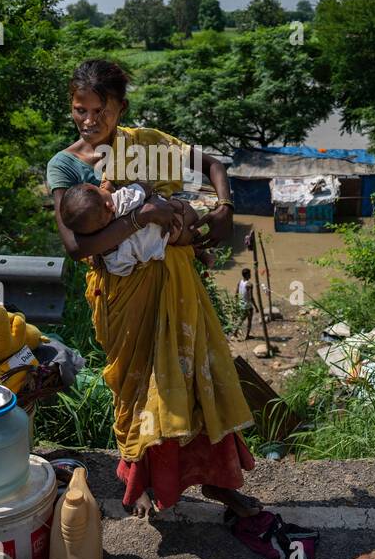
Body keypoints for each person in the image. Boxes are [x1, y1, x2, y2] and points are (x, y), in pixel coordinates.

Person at [47, 58, 261, 519]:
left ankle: (219, 482)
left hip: (179, 282)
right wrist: (139, 218)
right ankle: (141, 482)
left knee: (193, 376)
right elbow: (75, 246)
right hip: (124, 299)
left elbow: (211, 164)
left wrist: (223, 206)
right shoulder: (66, 167)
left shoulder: (145, 147)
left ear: (120, 108)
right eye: (79, 111)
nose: (88, 121)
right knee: (141, 389)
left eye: (99, 112)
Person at [59, 180, 205, 276]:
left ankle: (200, 252)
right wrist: (120, 189)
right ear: (109, 205)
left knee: (192, 241)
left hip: (173, 238)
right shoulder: (122, 199)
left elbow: (124, 269)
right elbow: (145, 187)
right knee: (197, 234)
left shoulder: (108, 247)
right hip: (180, 212)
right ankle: (201, 251)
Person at [236, 268, 255, 340]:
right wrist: (256, 307)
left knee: (242, 319)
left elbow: (236, 294)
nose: (250, 275)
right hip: (247, 305)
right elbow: (251, 297)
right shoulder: (249, 284)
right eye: (250, 274)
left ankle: (235, 332)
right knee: (249, 320)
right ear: (247, 275)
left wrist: (236, 304)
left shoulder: (239, 282)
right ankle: (247, 335)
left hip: (241, 303)